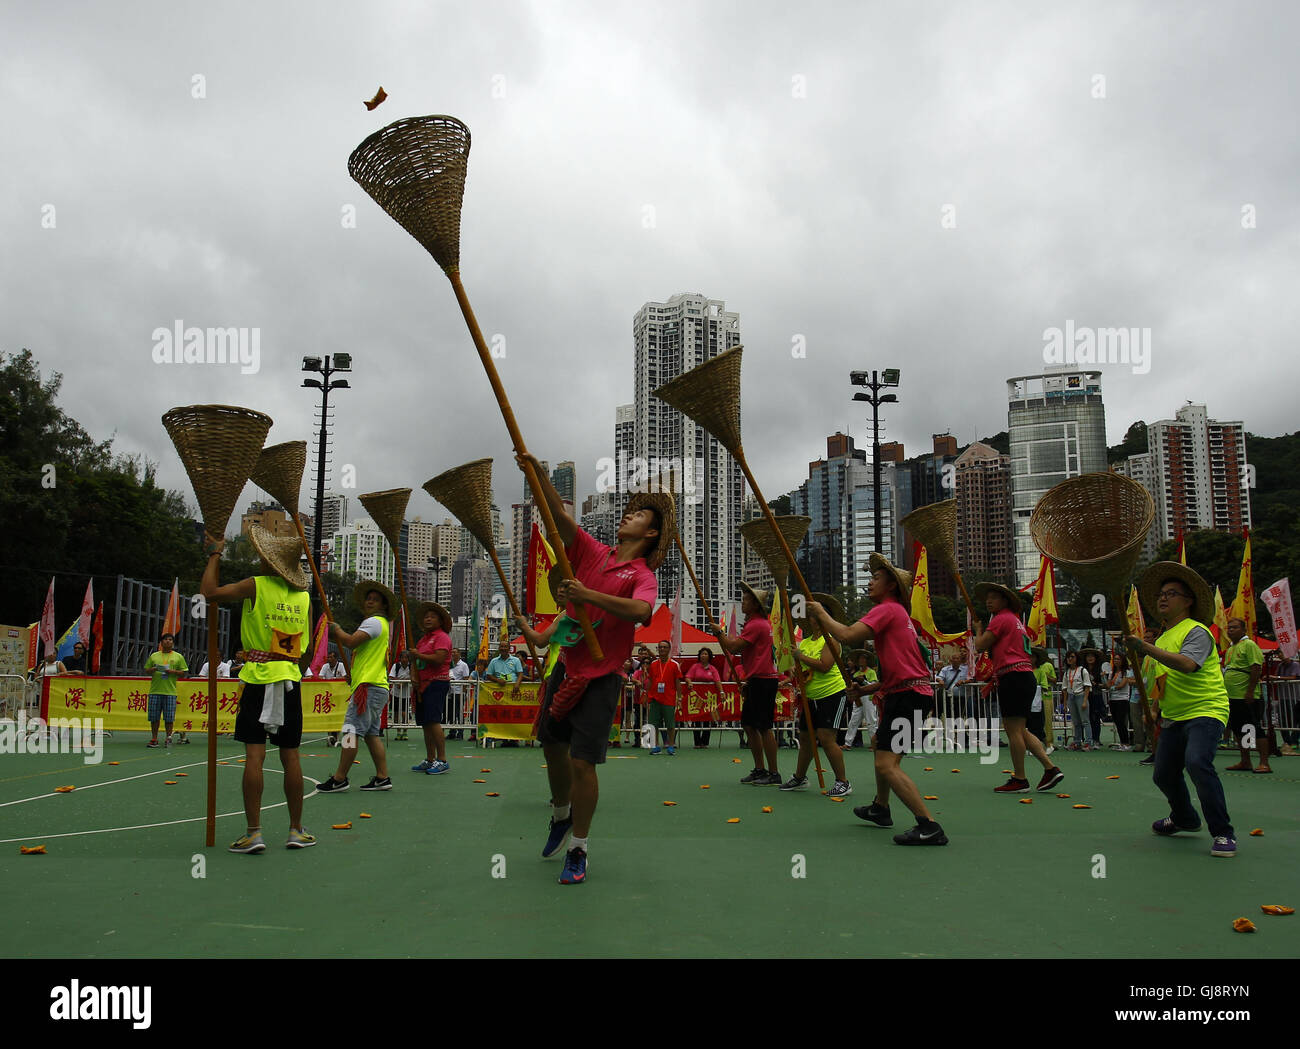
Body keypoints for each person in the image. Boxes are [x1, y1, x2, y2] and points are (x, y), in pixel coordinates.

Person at [522, 453, 668, 886]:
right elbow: (558, 517)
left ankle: (579, 848)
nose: (628, 515)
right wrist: (538, 475)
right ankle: (561, 814)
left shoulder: (641, 574)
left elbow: (642, 611)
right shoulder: (590, 551)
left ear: (652, 532)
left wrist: (588, 596)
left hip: (603, 677)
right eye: (629, 510)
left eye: (638, 514)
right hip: (567, 668)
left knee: (584, 763)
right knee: (550, 745)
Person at [809, 554, 949, 846]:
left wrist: (821, 614)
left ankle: (929, 825)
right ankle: (881, 808)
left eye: (876, 578)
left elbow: (848, 636)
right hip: (908, 693)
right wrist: (866, 690)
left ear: (891, 586)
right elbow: (902, 671)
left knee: (887, 764)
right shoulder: (898, 614)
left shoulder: (887, 610)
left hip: (908, 697)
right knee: (881, 752)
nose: (870, 581)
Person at [200, 525, 315, 853]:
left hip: (258, 677)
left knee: (255, 753)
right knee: (290, 755)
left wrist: (214, 553)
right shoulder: (304, 597)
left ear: (269, 562)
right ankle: (296, 830)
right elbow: (305, 650)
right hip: (290, 679)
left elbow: (209, 592)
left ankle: (254, 833)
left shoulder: (256, 585)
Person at [1125, 562, 1236, 858]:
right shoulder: (1162, 639)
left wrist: (1144, 648)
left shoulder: (1197, 631)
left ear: (1188, 601)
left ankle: (1223, 833)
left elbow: (1187, 665)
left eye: (1171, 593)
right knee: (1163, 774)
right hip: (1174, 715)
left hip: (1206, 709)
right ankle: (1185, 818)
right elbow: (1163, 681)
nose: (1163, 598)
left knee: (1198, 763)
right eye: (1161, 594)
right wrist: (1154, 711)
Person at [972, 583, 1064, 793]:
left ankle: (1020, 778)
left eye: (994, 597)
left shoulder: (1001, 619)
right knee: (1021, 730)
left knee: (1013, 730)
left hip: (1012, 676)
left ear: (1005, 601)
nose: (989, 601)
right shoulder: (1014, 621)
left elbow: (980, 645)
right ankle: (1049, 768)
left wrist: (978, 630)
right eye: (988, 597)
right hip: (1023, 676)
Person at [318, 581, 397, 794]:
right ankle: (382, 776)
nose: (369, 601)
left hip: (369, 687)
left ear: (383, 605)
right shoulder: (380, 624)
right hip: (374, 685)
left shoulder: (373, 622)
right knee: (371, 735)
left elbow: (351, 642)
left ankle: (339, 778)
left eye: (375, 599)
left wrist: (337, 631)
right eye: (368, 598)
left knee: (351, 731)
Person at [709, 583, 782, 786]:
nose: (743, 602)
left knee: (764, 726)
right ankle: (760, 769)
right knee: (749, 725)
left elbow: (733, 647)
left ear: (756, 605)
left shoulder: (757, 624)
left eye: (747, 599)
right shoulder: (756, 624)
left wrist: (719, 632)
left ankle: (774, 772)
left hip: (763, 679)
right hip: (758, 678)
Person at [781, 593, 852, 798]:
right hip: (810, 698)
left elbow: (824, 666)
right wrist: (796, 669)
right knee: (805, 737)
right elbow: (804, 668)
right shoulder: (804, 642)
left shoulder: (831, 641)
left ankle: (843, 782)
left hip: (831, 694)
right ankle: (800, 777)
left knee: (826, 737)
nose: (810, 616)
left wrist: (800, 657)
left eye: (814, 613)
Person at [404, 602, 453, 774]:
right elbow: (414, 662)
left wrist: (418, 655)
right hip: (422, 685)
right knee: (425, 723)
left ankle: (442, 759)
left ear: (440, 620)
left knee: (433, 720)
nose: (428, 619)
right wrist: (413, 676)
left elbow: (439, 659)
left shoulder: (442, 637)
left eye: (432, 616)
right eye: (426, 616)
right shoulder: (423, 639)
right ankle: (430, 758)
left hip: (436, 682)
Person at [1222, 617, 1269, 773]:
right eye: (1229, 628)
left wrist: (1250, 691)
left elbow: (1256, 667)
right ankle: (1245, 761)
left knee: (1254, 728)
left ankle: (1264, 762)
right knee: (1240, 729)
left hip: (1246, 696)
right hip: (1232, 696)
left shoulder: (1249, 645)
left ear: (1243, 630)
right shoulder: (1231, 647)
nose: (1230, 630)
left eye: (1234, 627)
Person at [143, 633, 187, 748]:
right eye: (166, 639)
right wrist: (153, 669)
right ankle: (154, 738)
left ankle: (168, 738)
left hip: (170, 692)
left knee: (169, 717)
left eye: (170, 640)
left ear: (173, 643)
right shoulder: (154, 656)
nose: (168, 641)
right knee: (154, 717)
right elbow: (146, 670)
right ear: (161, 642)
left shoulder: (178, 657)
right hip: (155, 691)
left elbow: (183, 673)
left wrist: (173, 672)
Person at [643, 640, 683, 755]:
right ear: (657, 649)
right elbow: (650, 681)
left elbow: (678, 683)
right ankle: (655, 746)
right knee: (653, 724)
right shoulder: (653, 664)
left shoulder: (674, 664)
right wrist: (646, 695)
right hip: (654, 698)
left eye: (664, 647)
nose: (662, 649)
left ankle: (671, 746)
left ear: (669, 649)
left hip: (669, 699)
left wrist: (679, 698)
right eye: (660, 647)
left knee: (670, 724)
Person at [843, 649, 880, 749]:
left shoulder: (871, 672)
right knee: (853, 720)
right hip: (858, 699)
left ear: (866, 661)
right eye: (859, 659)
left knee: (871, 720)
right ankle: (848, 743)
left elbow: (874, 685)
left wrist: (863, 681)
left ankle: (874, 743)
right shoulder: (855, 674)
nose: (861, 661)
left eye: (863, 659)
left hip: (869, 698)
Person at [688, 647, 723, 748]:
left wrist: (721, 691)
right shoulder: (695, 667)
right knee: (696, 719)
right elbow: (688, 676)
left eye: (706, 654)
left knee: (708, 719)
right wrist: (689, 682)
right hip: (697, 697)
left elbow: (717, 681)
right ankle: (697, 742)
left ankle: (705, 742)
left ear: (709, 656)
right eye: (702, 654)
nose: (703, 655)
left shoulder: (713, 668)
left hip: (709, 698)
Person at [1062, 650, 1092, 750]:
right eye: (1068, 657)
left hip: (1080, 695)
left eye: (1072, 657)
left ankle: (1088, 742)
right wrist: (1065, 703)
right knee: (1076, 722)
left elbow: (1087, 686)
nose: (1070, 659)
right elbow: (1065, 689)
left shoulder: (1083, 670)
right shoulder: (1067, 673)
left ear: (1076, 658)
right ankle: (1077, 742)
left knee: (1085, 721)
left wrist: (1084, 701)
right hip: (1071, 697)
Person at [1081, 649, 1110, 749]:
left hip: (1096, 695)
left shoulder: (1099, 669)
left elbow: (1106, 685)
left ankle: (1096, 739)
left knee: (1095, 717)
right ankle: (1086, 739)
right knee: (1085, 718)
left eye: (1092, 656)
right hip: (1085, 695)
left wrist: (1098, 683)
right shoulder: (1082, 670)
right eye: (1088, 656)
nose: (1090, 658)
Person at [1028, 647, 1056, 750]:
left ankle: (1048, 744)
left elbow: (1044, 685)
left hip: (1039, 701)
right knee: (1029, 725)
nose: (1030, 659)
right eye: (1029, 657)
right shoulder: (1026, 670)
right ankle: (1032, 746)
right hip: (1028, 701)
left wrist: (1036, 687)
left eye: (1032, 657)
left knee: (1039, 724)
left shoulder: (1040, 671)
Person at [1108, 653, 1135, 751]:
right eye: (1115, 659)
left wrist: (1112, 687)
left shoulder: (1126, 672)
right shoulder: (1112, 672)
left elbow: (1122, 685)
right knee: (1117, 721)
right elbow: (1107, 684)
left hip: (1122, 699)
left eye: (1118, 659)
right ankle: (1122, 742)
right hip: (1112, 699)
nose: (1116, 661)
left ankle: (1126, 742)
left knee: (1121, 721)